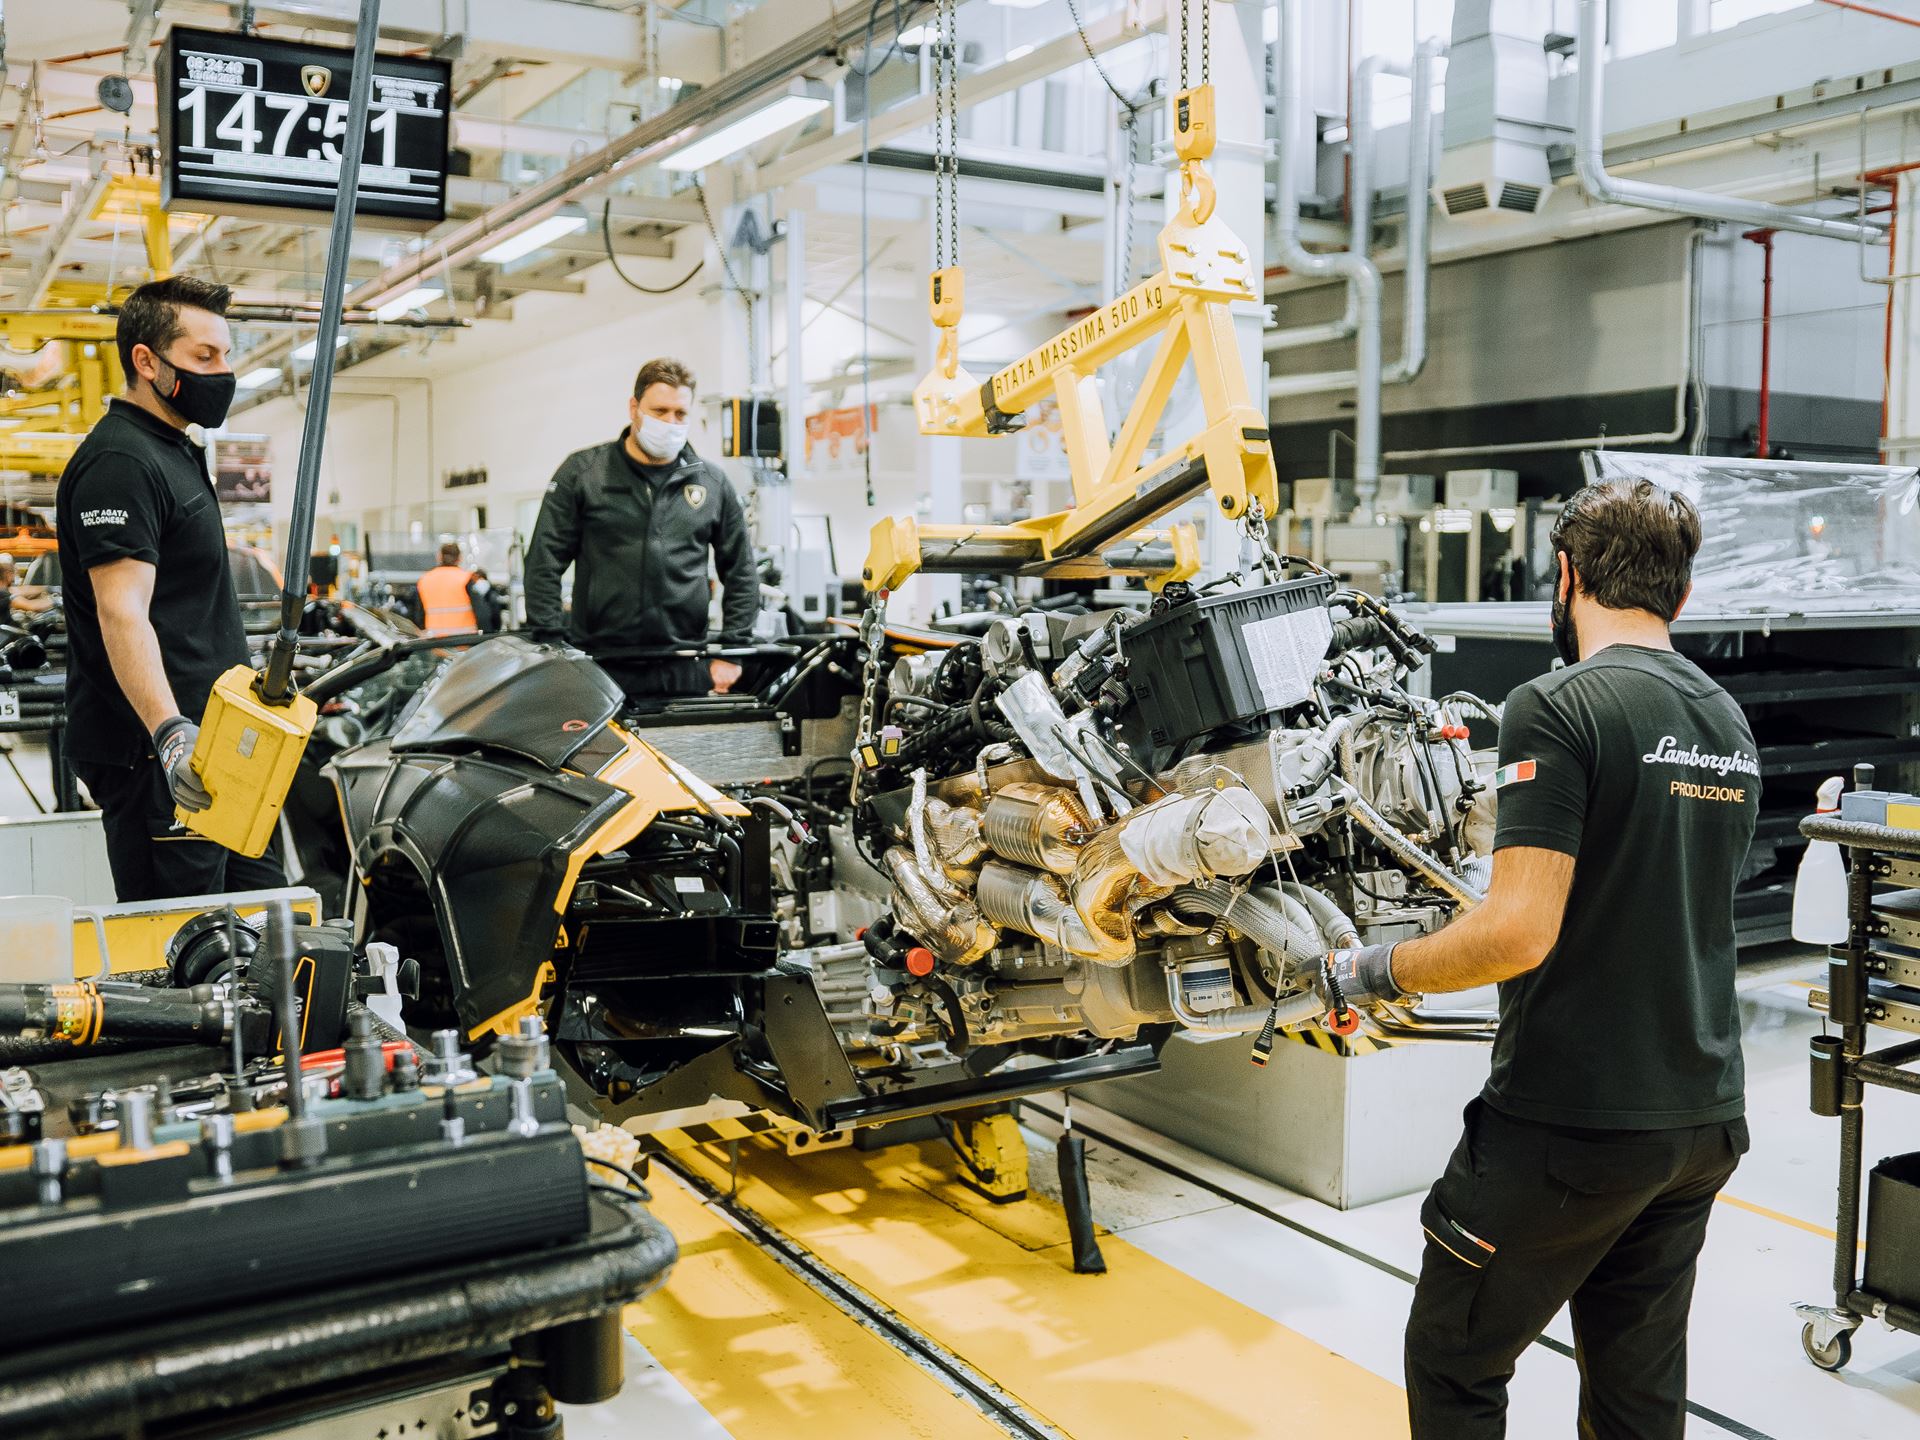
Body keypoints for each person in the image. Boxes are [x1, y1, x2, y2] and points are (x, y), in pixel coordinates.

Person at [1313, 479, 1758, 1440]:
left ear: (1565, 575)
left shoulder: (1557, 705)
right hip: (1699, 1120)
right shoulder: (1727, 721)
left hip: (1572, 1126)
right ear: (1678, 594)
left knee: (1454, 1355)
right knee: (1637, 1394)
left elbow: (1519, 930)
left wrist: (1371, 969)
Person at [55, 275, 287, 902]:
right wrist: (169, 733)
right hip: (160, 755)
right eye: (204, 357)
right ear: (147, 361)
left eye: (227, 355)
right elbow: (121, 610)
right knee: (186, 949)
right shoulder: (120, 463)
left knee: (266, 923)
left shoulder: (175, 450)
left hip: (222, 743)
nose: (224, 372)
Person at [524, 357, 756, 699]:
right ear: (634, 408)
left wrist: (732, 651)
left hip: (684, 664)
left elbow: (741, 571)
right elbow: (543, 562)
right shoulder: (584, 473)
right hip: (598, 665)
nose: (670, 422)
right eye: (660, 411)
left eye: (680, 414)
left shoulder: (711, 482)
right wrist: (552, 645)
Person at [413, 541, 486, 635]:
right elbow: (481, 612)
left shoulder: (425, 579)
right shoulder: (466, 578)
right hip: (464, 642)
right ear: (460, 558)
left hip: (434, 643)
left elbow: (418, 615)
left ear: (439, 557)